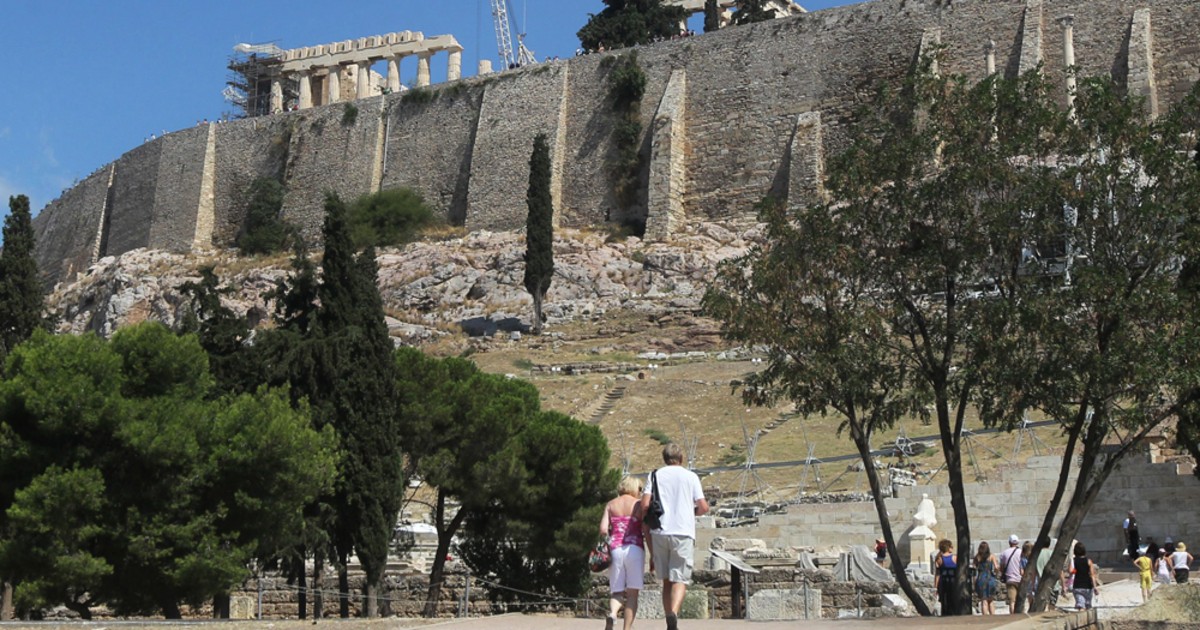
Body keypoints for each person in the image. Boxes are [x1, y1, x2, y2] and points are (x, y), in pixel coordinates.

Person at [642, 443, 708, 630]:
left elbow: (645, 505)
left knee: (666, 581)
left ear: (664, 458)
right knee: (680, 578)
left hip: (660, 531)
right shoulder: (691, 476)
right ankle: (674, 613)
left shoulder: (654, 475)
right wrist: (689, 512)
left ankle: (667, 618)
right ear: (681, 458)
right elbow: (703, 507)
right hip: (683, 532)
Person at [600, 476, 647, 630]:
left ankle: (613, 614)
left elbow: (602, 529)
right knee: (633, 594)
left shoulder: (611, 504)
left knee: (616, 591)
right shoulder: (639, 505)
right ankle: (627, 628)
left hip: (615, 549)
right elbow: (645, 528)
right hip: (635, 548)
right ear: (635, 488)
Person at [1065, 542, 1099, 610]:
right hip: (1088, 586)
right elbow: (1092, 575)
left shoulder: (1073, 560)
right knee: (1088, 605)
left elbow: (1070, 571)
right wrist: (1095, 587)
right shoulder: (1089, 561)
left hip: (1077, 586)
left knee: (1080, 606)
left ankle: (1081, 618)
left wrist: (1076, 570)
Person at [998, 534, 1023, 613]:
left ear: (1009, 542)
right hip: (1021, 579)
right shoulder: (1021, 552)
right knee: (1021, 600)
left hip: (1010, 579)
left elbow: (1001, 567)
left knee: (1012, 601)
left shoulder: (1004, 553)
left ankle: (1013, 616)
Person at [934, 539, 959, 616]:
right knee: (953, 599)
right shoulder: (955, 558)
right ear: (948, 547)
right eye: (951, 546)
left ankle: (945, 614)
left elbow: (937, 574)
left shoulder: (939, 559)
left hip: (943, 581)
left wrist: (935, 586)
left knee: (944, 600)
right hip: (953, 581)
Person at [973, 542, 999, 615]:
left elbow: (974, 571)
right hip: (990, 578)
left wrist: (974, 582)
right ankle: (993, 617)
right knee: (991, 600)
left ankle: (985, 618)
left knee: (984, 601)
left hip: (981, 579)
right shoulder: (991, 556)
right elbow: (996, 567)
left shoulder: (977, 557)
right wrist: (996, 574)